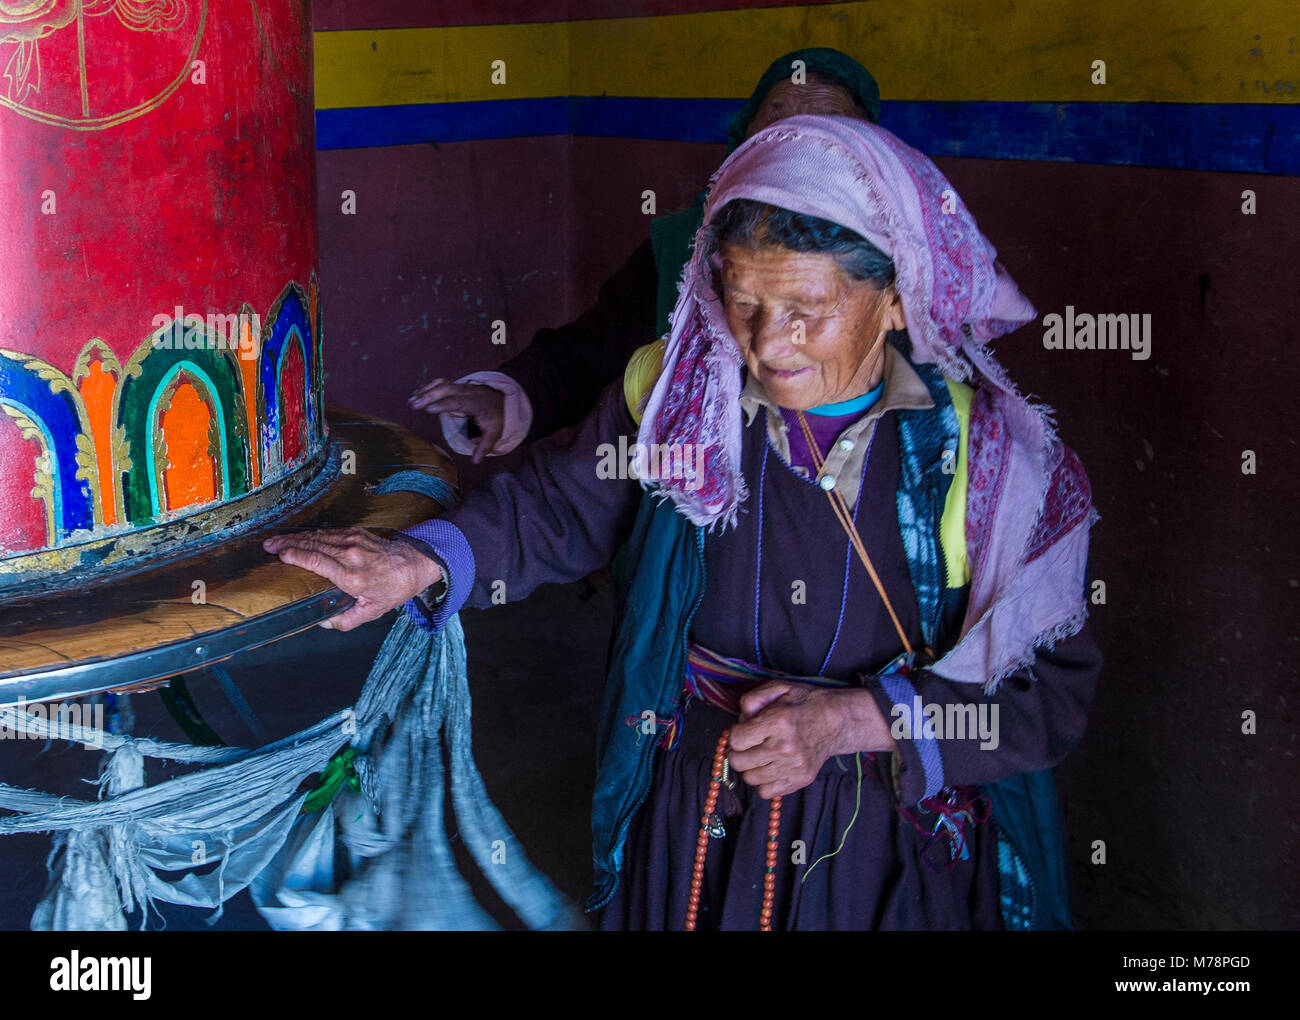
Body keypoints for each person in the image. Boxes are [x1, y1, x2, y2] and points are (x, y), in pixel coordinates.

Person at [265, 114, 1102, 930]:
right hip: (697, 799)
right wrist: (420, 562)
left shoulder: (989, 463)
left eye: (809, 306)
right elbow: (558, 509)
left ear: (894, 299)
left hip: (881, 835)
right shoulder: (680, 398)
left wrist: (849, 723)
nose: (773, 343)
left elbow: (1046, 693)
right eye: (743, 302)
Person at [407, 48, 883, 463]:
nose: (797, 148)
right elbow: (588, 356)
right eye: (777, 124)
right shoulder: (680, 248)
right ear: (743, 143)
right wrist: (508, 397)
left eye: (825, 131)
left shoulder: (894, 277)